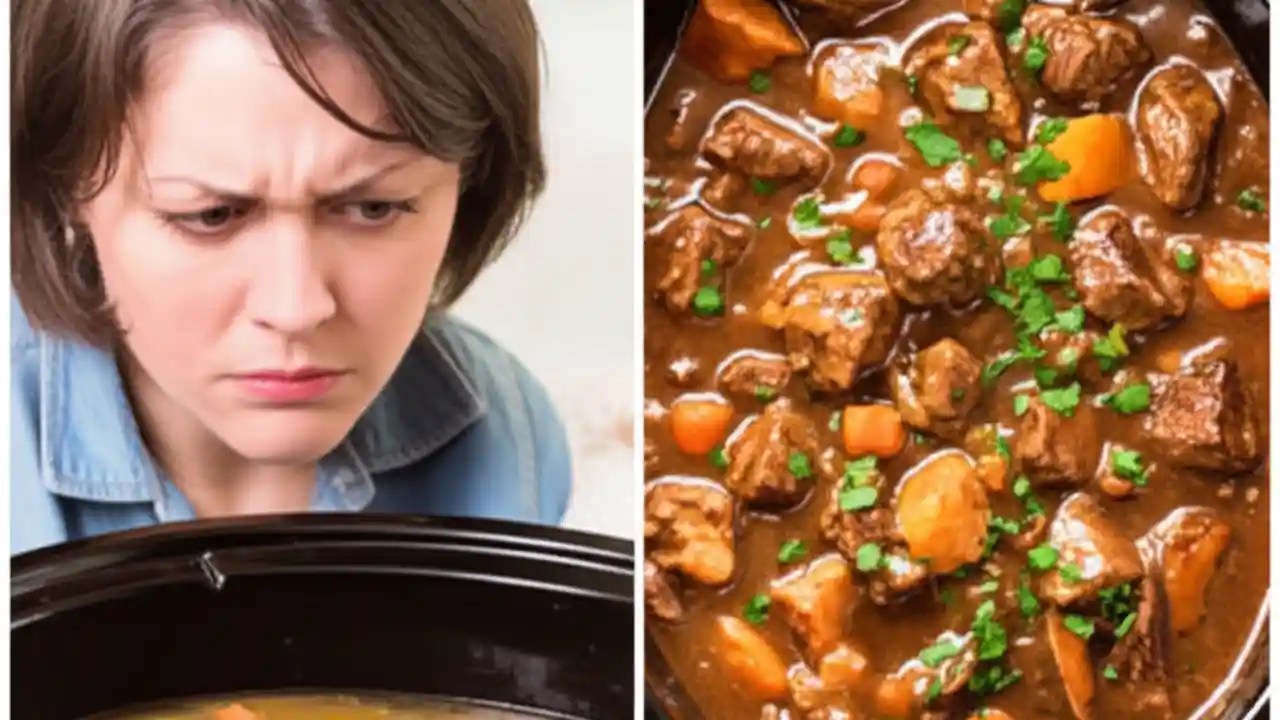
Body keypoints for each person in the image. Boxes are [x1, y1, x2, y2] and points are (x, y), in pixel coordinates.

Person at [11, 0, 572, 554]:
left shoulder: (507, 439)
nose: (295, 307)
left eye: (374, 208)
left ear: (470, 183)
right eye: (210, 216)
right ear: (65, 190)